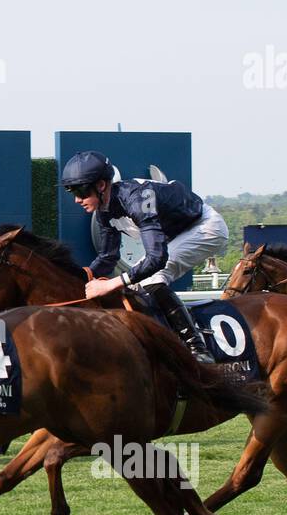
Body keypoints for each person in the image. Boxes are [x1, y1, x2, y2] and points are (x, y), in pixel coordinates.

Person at [62, 150, 229, 362]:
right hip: (176, 235)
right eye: (72, 192)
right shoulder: (104, 211)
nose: (77, 200)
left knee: (152, 277)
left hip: (205, 227)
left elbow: (157, 258)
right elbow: (107, 257)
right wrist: (80, 279)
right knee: (136, 284)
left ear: (102, 185)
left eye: (82, 191)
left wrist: (109, 284)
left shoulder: (137, 198)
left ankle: (196, 349)